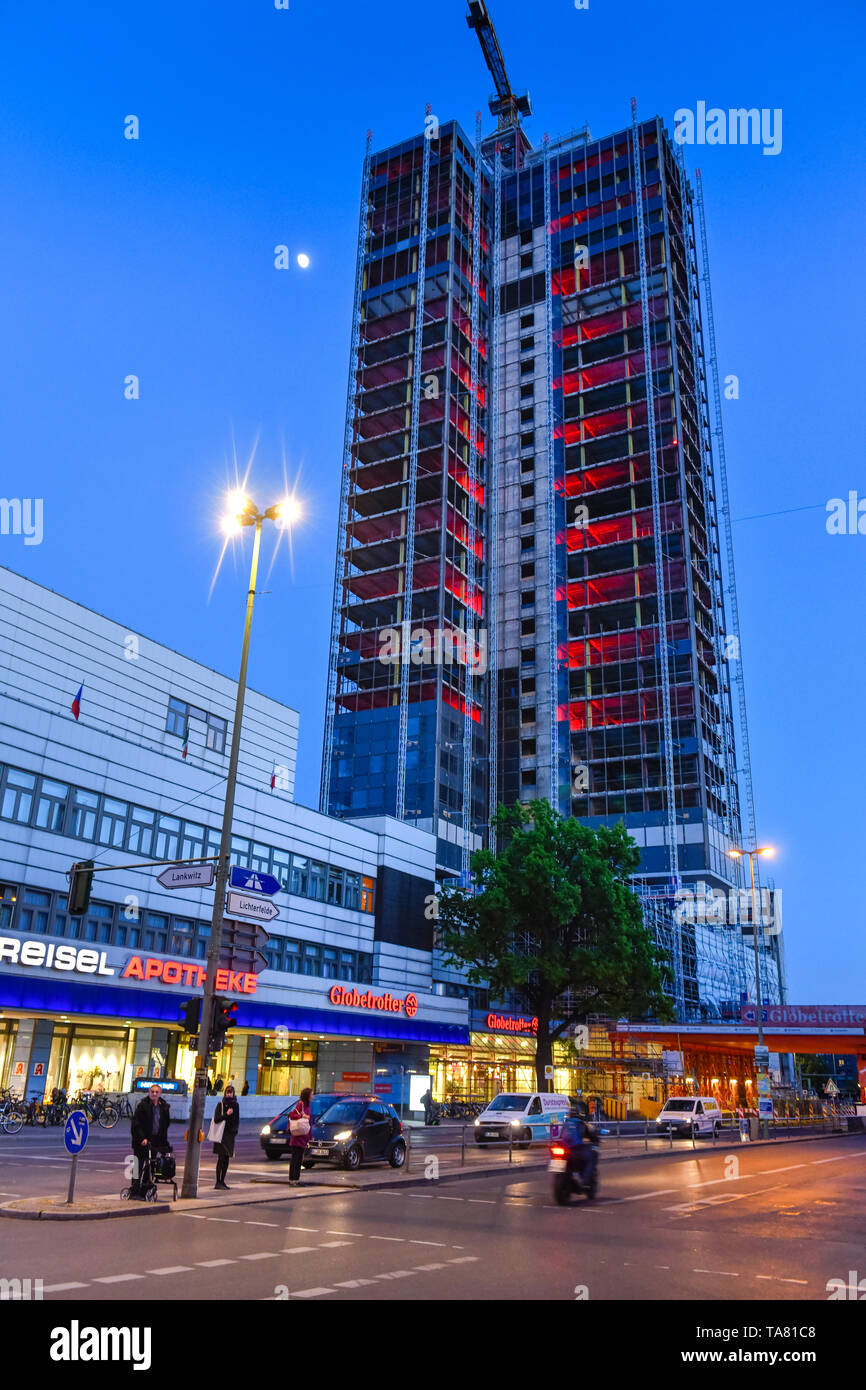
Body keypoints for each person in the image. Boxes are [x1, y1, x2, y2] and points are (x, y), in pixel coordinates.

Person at [129, 1083, 172, 1199]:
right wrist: (142, 1138)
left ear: (160, 1094)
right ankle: (134, 1190)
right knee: (138, 1165)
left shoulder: (164, 1106)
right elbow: (136, 1124)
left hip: (154, 1141)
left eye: (156, 1092)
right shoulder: (143, 1105)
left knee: (151, 1166)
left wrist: (164, 1144)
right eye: (152, 1092)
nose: (154, 1094)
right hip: (141, 1141)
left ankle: (145, 1190)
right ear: (149, 1093)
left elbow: (165, 1125)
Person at [212, 1084, 240, 1190]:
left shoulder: (236, 1105)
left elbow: (237, 1119)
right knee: (221, 1158)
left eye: (230, 1092)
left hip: (230, 1135)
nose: (229, 1094)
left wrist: (235, 1131)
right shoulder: (221, 1105)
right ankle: (217, 1182)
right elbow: (216, 1119)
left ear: (233, 1093)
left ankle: (222, 1181)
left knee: (227, 1158)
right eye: (227, 1092)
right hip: (221, 1135)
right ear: (225, 1093)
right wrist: (226, 1114)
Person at [287, 1087, 314, 1185]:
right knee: (295, 1158)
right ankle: (292, 1179)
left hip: (304, 1136)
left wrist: (310, 1137)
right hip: (297, 1136)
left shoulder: (308, 1106)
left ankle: (296, 1180)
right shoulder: (300, 1104)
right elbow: (291, 1115)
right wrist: (301, 1116)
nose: (313, 1096)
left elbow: (309, 1123)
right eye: (312, 1094)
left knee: (299, 1159)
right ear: (307, 1096)